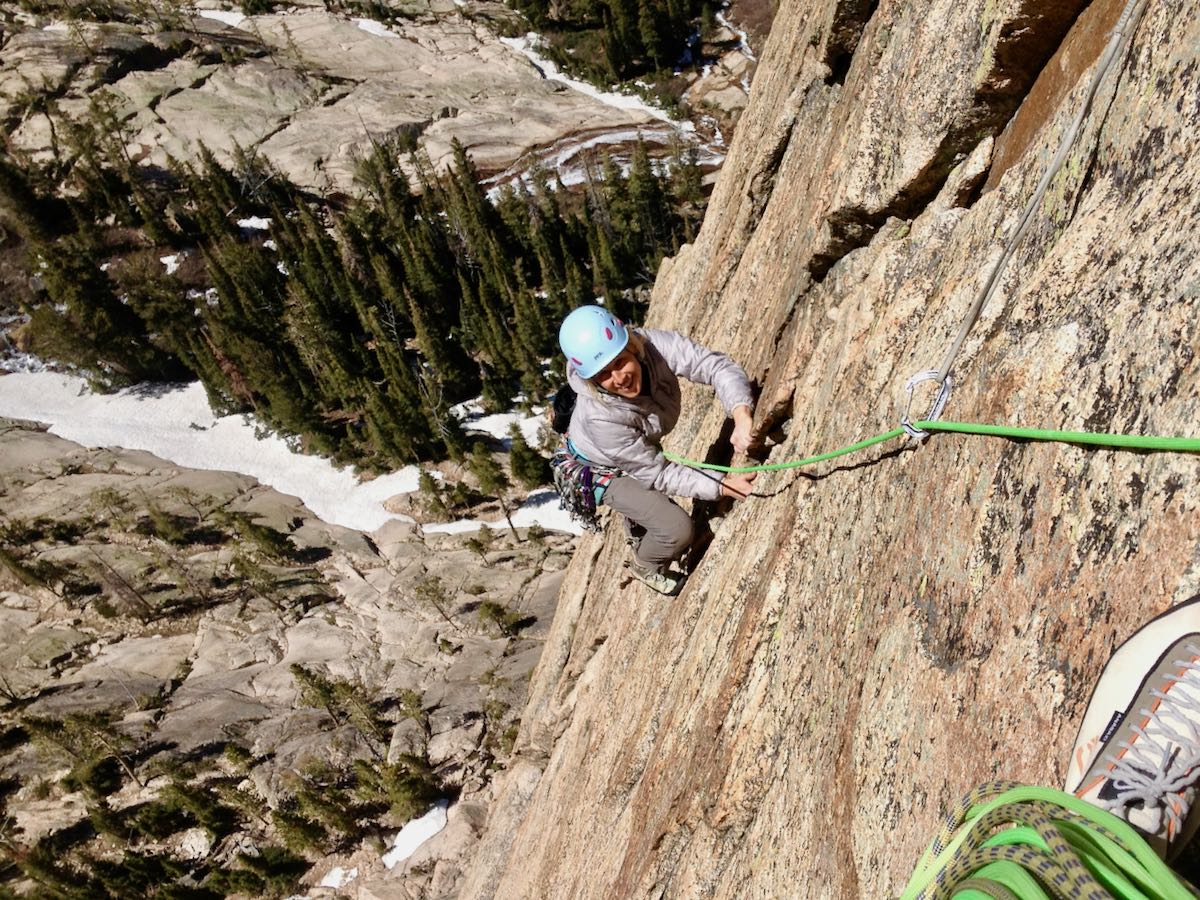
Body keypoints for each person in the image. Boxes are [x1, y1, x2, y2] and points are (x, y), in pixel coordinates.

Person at [557, 304, 757, 595]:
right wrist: (721, 485)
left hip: (628, 448)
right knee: (676, 529)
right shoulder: (600, 417)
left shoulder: (653, 346)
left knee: (648, 491)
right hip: (598, 469)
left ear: (631, 345)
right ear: (592, 380)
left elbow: (713, 365)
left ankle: (638, 516)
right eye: (604, 374)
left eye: (620, 362)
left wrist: (741, 413)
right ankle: (645, 564)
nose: (619, 377)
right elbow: (658, 473)